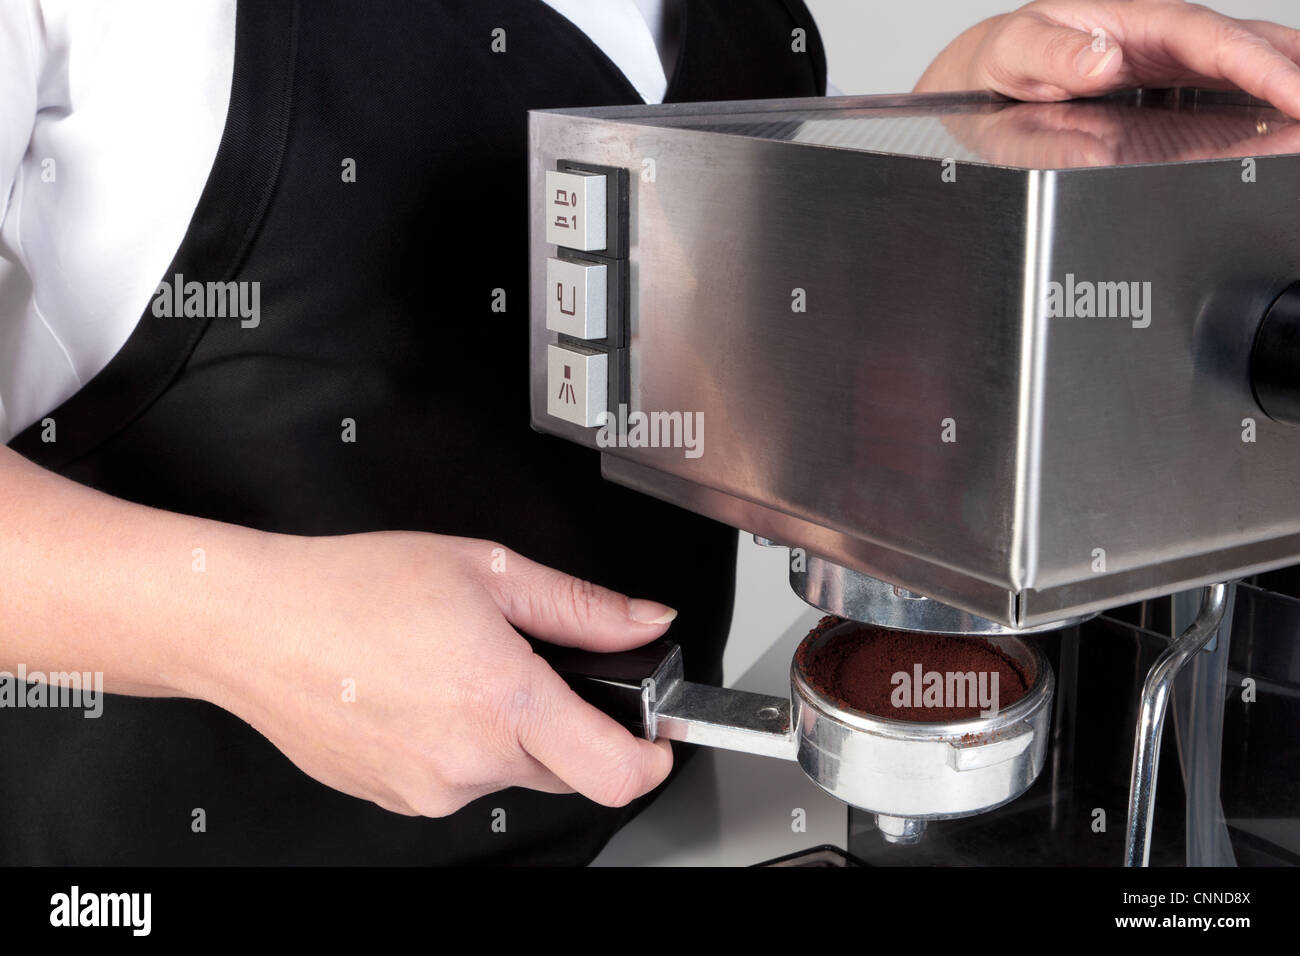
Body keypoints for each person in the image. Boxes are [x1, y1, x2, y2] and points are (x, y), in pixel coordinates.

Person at [1, 0, 1297, 866]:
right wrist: (255, 630)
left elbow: (729, 317)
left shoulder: (742, 16)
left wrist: (956, 129)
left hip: (650, 835)